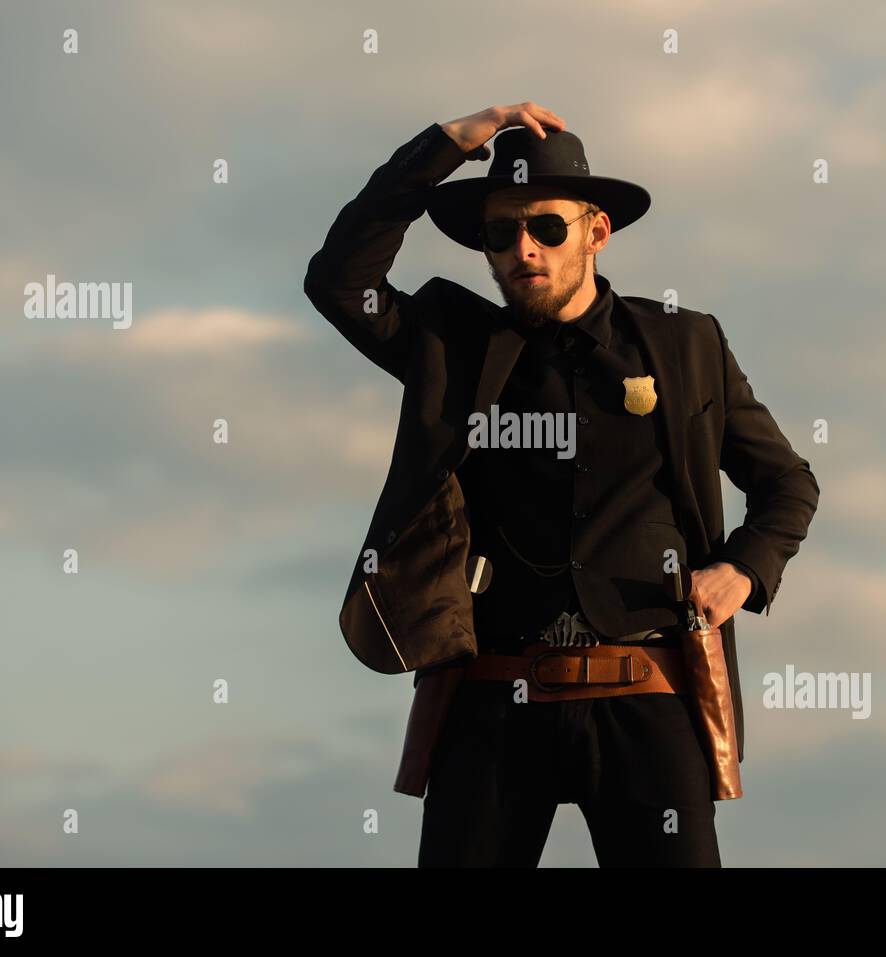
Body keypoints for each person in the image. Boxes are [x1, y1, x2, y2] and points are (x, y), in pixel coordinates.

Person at [305, 103, 820, 866]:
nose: (523, 249)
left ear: (596, 232)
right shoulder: (451, 344)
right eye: (501, 231)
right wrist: (446, 145)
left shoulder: (685, 344)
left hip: (650, 691)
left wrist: (745, 568)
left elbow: (787, 483)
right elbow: (340, 280)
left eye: (547, 228)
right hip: (490, 697)